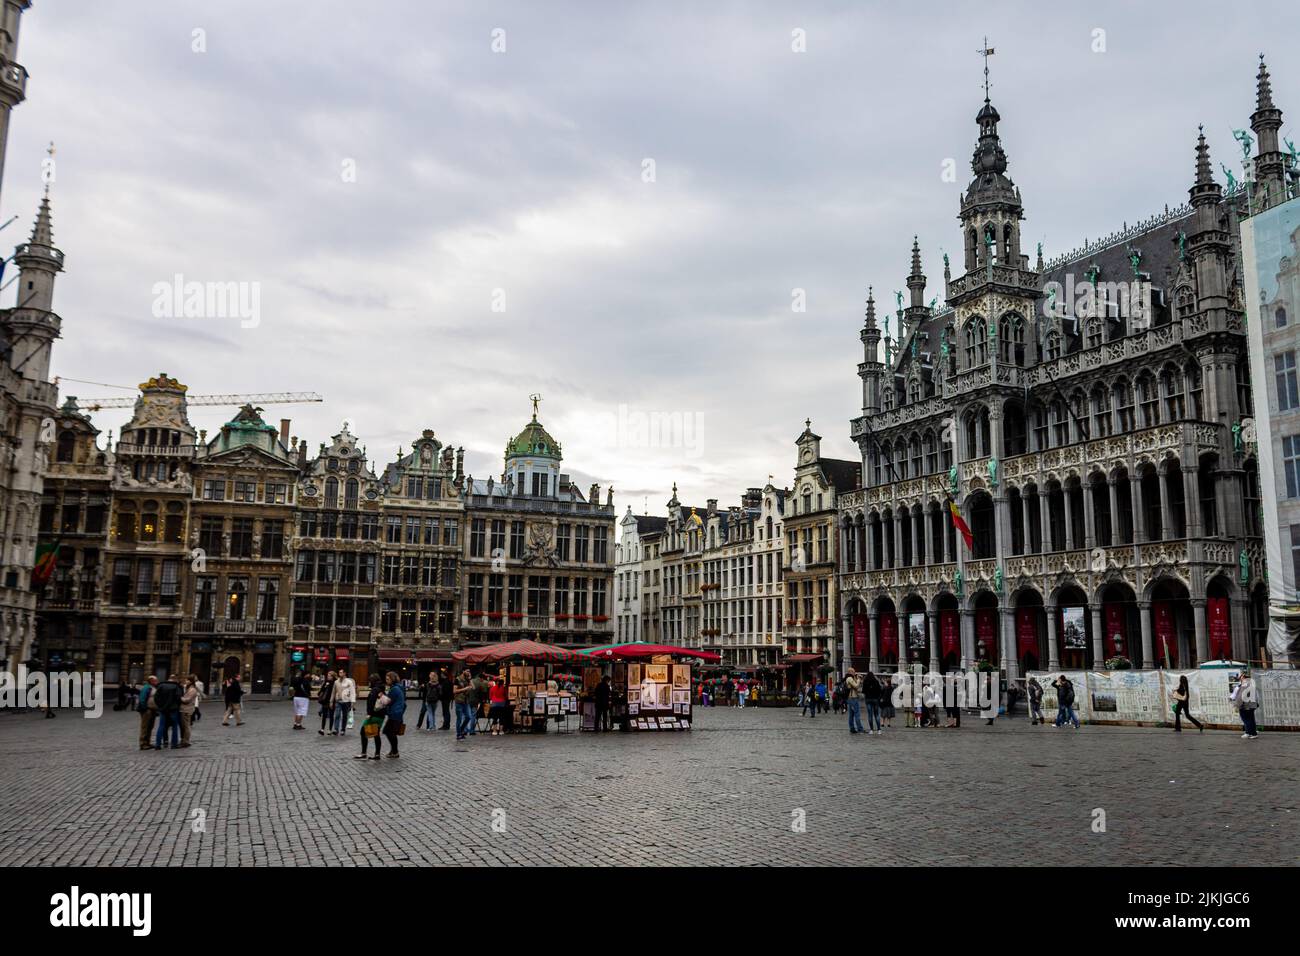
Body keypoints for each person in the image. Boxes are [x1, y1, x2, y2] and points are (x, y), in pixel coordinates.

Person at [356, 674, 386, 759]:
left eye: (370, 681)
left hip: (373, 715)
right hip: (381, 715)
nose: (369, 683)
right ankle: (377, 754)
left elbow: (371, 703)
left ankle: (363, 753)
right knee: (376, 734)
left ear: (373, 681)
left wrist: (369, 714)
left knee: (363, 732)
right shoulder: (382, 689)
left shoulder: (374, 690)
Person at [379, 671, 406, 757]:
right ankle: (394, 751)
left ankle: (395, 752)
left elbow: (387, 701)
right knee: (390, 732)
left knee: (389, 732)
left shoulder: (394, 689)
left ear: (392, 679)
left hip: (394, 713)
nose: (386, 681)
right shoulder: (398, 687)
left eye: (388, 679)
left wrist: (381, 696)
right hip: (397, 713)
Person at [153, 674, 183, 750]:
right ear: (175, 679)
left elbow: (156, 698)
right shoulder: (176, 687)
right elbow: (178, 698)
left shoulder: (161, 686)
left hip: (163, 709)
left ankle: (158, 744)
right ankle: (174, 744)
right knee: (174, 727)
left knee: (161, 726)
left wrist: (160, 706)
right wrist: (176, 706)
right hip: (173, 709)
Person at [1231, 670, 1259, 739]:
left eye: (1241, 677)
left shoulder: (1242, 686)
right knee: (1250, 719)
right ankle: (1251, 733)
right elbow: (1256, 695)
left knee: (1246, 719)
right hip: (1251, 704)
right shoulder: (1251, 684)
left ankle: (1250, 733)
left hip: (1244, 705)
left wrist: (1235, 703)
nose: (1240, 678)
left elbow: (1239, 696)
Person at [137, 675, 159, 750]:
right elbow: (142, 699)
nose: (157, 682)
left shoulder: (153, 687)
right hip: (147, 710)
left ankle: (147, 742)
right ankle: (143, 743)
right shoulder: (146, 688)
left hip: (153, 710)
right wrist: (145, 708)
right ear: (151, 681)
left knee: (150, 726)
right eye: (155, 680)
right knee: (145, 727)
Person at [333, 669, 357, 736]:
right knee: (337, 714)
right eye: (339, 672)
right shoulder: (336, 682)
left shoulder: (349, 682)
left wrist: (352, 702)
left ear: (344, 673)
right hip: (338, 700)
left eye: (341, 672)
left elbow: (352, 692)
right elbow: (334, 691)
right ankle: (336, 729)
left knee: (344, 716)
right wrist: (332, 701)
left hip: (346, 701)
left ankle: (343, 729)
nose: (339, 674)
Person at [453, 669, 475, 740]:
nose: (469, 672)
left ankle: (461, 730)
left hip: (466, 701)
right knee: (459, 718)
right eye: (467, 671)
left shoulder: (467, 679)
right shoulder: (457, 679)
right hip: (459, 701)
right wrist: (465, 689)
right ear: (463, 671)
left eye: (469, 671)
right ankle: (458, 734)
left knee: (468, 717)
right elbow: (454, 691)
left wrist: (470, 679)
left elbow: (473, 688)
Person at [178, 675, 199, 747]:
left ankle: (186, 741)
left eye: (187, 680)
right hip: (184, 709)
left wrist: (180, 698)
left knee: (186, 726)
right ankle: (184, 740)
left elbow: (187, 700)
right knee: (184, 726)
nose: (186, 681)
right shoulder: (188, 688)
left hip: (187, 710)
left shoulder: (192, 689)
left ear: (190, 681)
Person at [844, 669, 864, 734]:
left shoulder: (850, 678)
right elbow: (856, 686)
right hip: (853, 698)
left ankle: (852, 728)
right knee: (856, 714)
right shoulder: (849, 678)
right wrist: (858, 679)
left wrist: (858, 679)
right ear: (850, 672)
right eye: (853, 671)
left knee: (851, 715)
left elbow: (857, 687)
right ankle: (860, 728)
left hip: (851, 698)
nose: (855, 672)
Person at [318, 669, 337, 735]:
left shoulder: (335, 682)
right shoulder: (326, 682)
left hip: (332, 701)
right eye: (328, 676)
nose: (328, 677)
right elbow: (322, 690)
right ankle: (322, 729)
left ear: (333, 676)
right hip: (325, 701)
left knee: (331, 715)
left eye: (330, 676)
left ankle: (330, 729)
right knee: (324, 715)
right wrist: (324, 686)